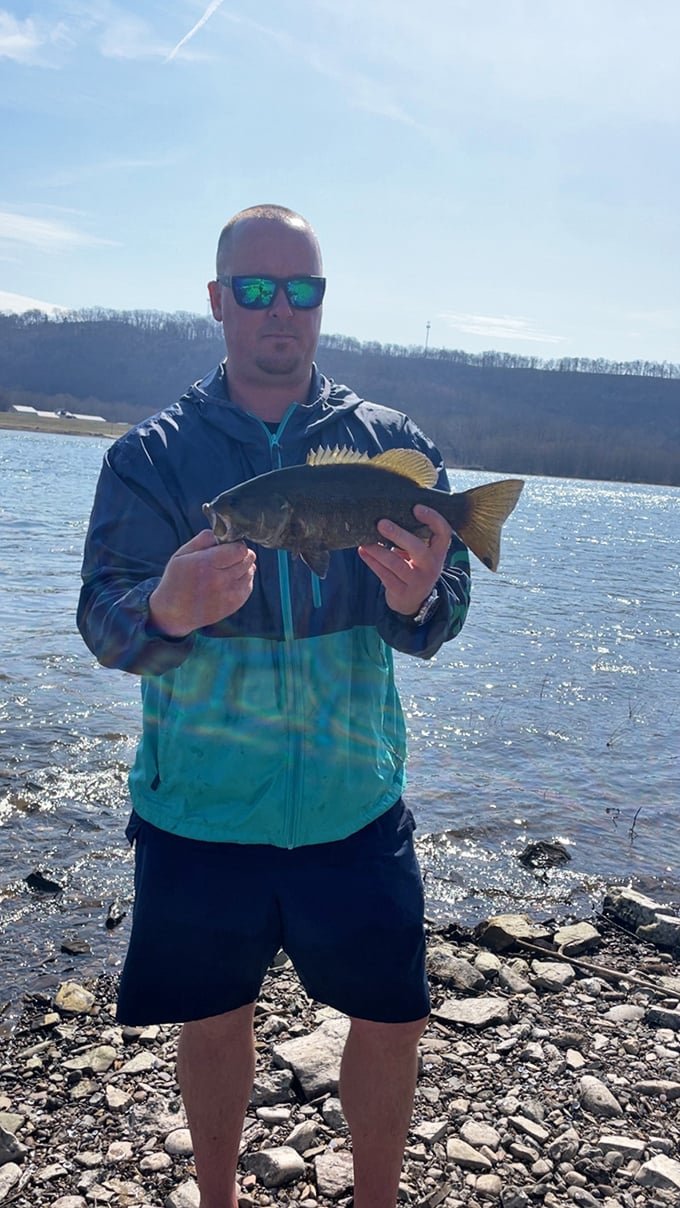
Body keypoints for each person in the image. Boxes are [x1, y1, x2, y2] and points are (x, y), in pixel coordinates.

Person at [78, 204, 471, 1208]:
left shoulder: (392, 448)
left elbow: (442, 608)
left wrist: (416, 595)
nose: (278, 310)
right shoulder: (152, 458)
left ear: (321, 304)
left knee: (390, 1017)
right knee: (213, 1014)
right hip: (200, 810)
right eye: (255, 289)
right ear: (217, 302)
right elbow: (103, 620)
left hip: (352, 802)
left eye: (301, 288)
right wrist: (163, 608)